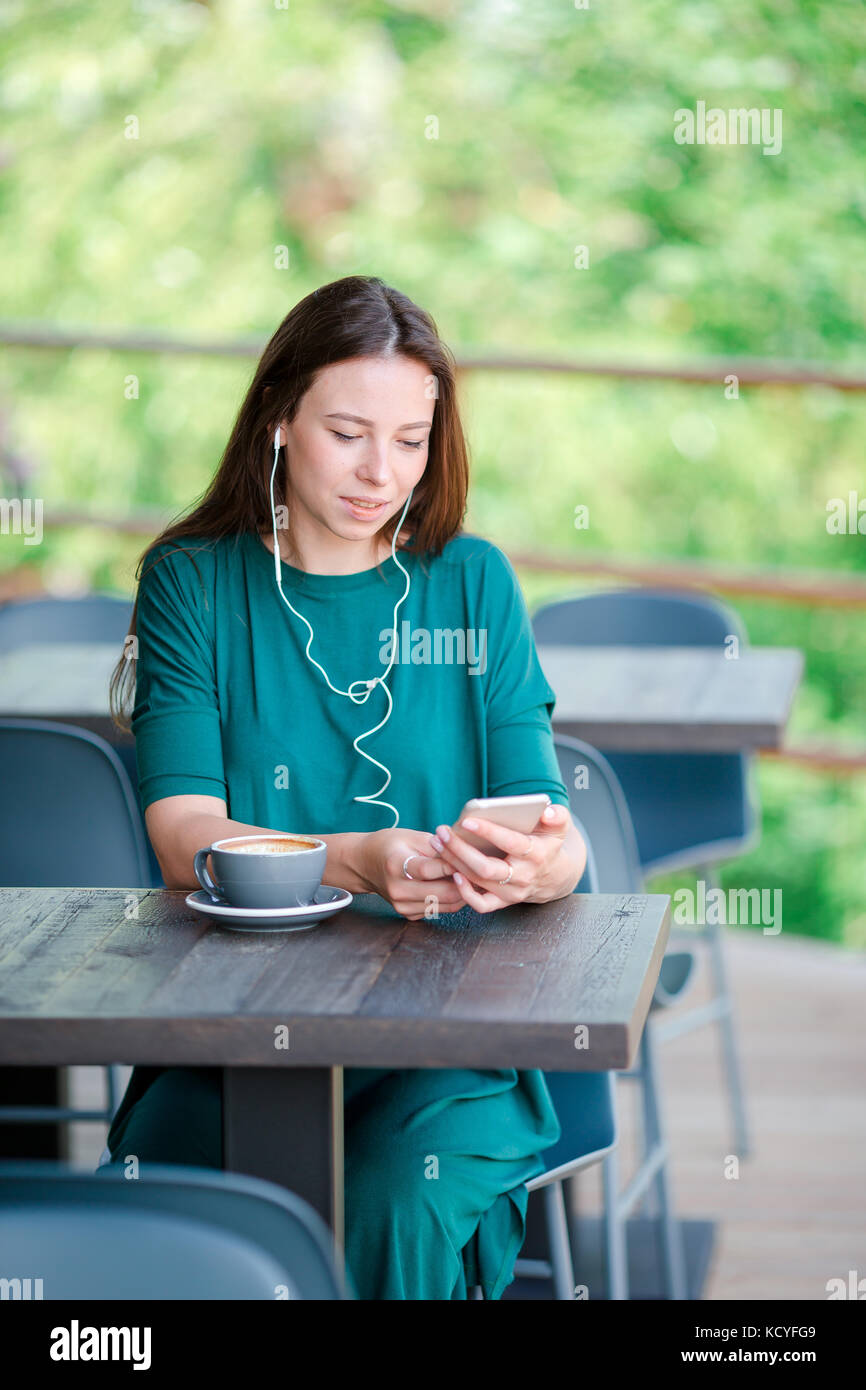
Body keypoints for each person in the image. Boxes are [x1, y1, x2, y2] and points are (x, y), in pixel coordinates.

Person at [105, 274, 587, 1300]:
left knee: (386, 1198)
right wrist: (354, 859)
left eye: (409, 439)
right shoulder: (194, 581)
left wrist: (546, 862)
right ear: (279, 420)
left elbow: (549, 825)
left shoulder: (472, 580)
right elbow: (182, 832)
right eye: (347, 432)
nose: (382, 471)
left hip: (449, 1038)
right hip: (228, 1028)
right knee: (173, 1218)